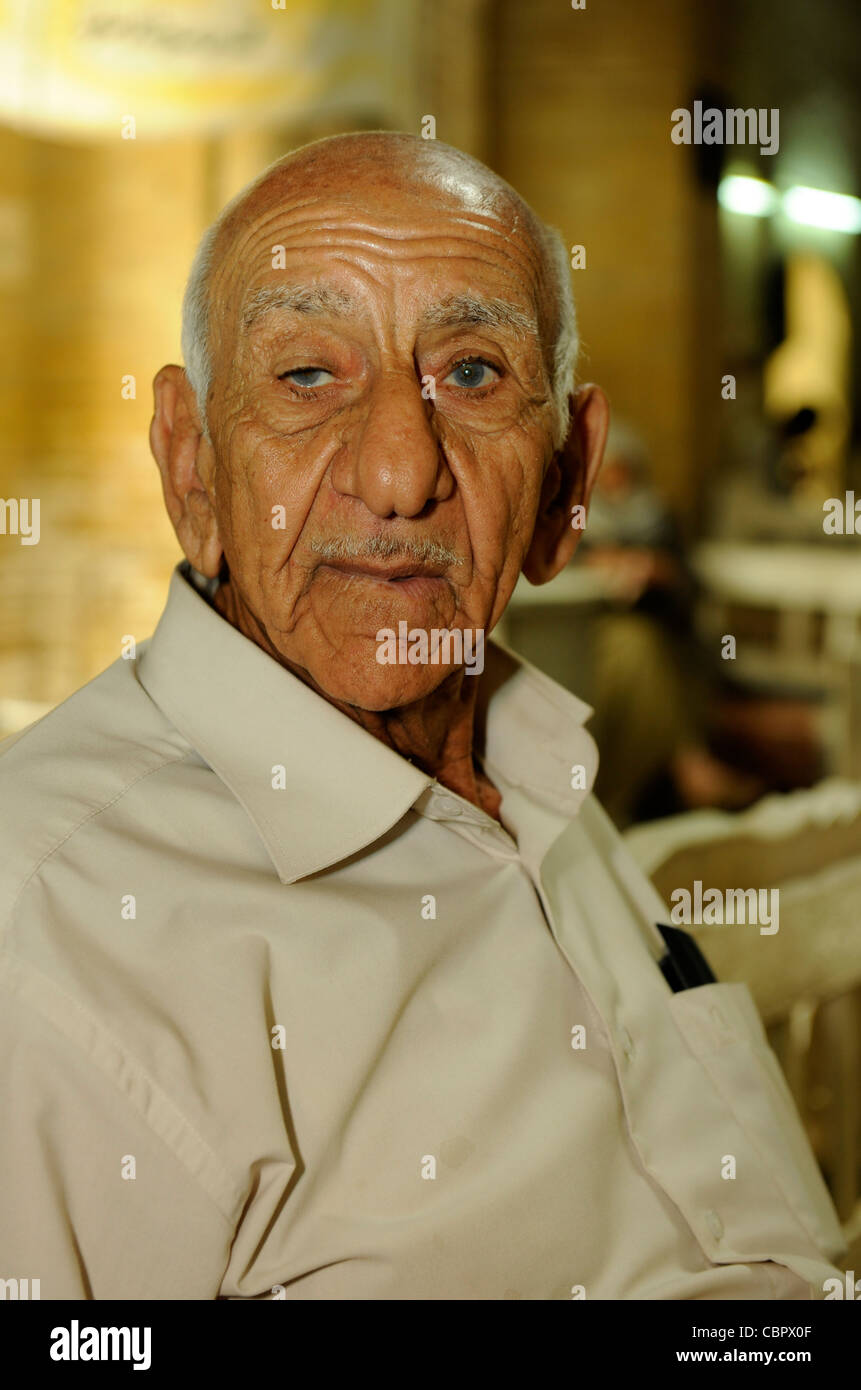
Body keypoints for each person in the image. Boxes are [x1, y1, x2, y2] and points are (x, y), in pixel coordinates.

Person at [0, 132, 845, 1300]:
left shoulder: (531, 764)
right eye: (306, 377)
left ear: (565, 482)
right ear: (192, 469)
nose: (399, 469)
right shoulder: (54, 930)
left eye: (474, 372)